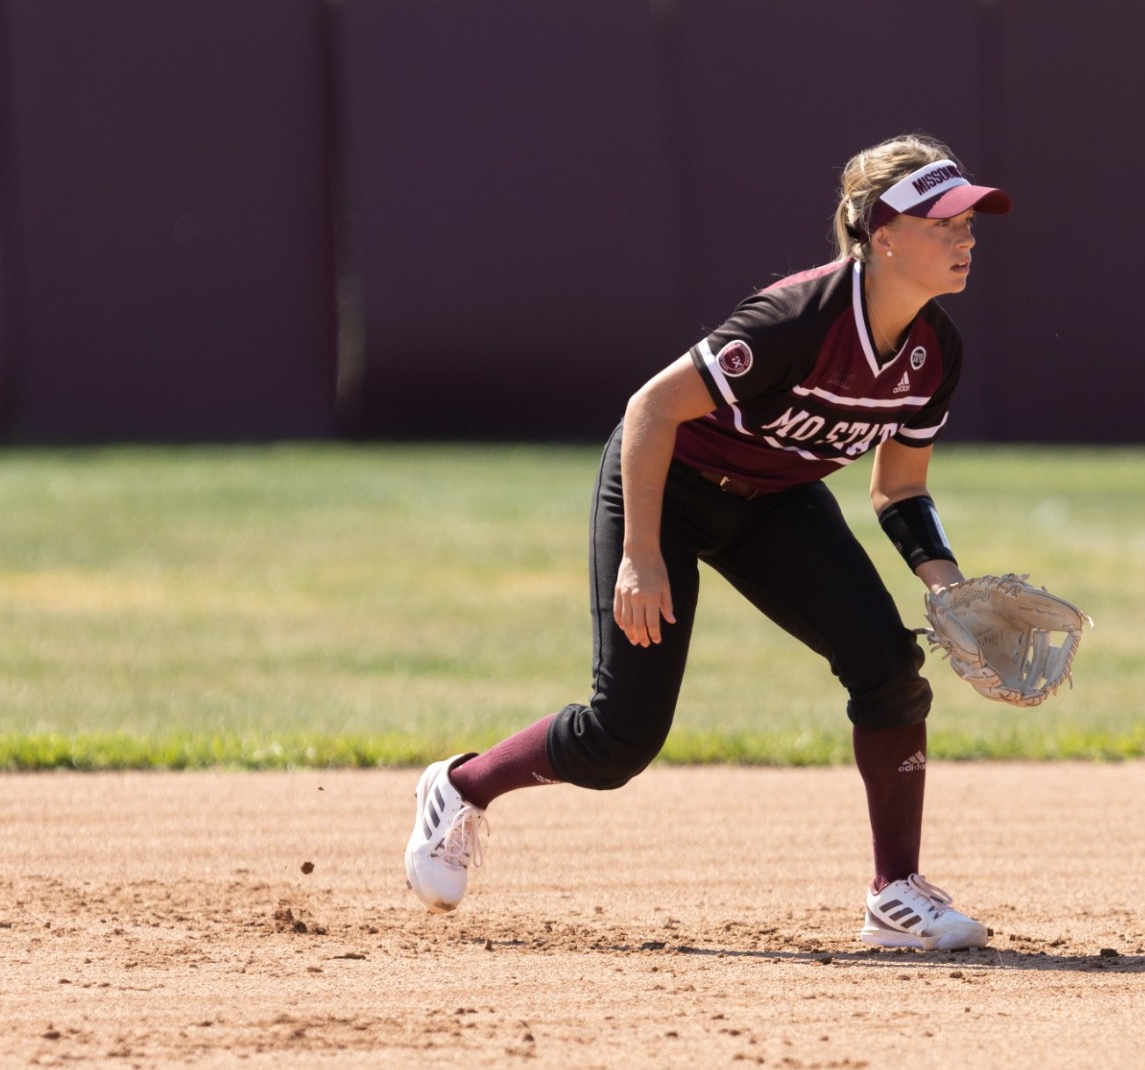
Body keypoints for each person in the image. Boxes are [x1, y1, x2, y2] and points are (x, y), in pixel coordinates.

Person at [404, 133, 1010, 951]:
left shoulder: (937, 352)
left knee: (889, 667)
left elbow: (898, 488)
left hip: (775, 503)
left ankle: (895, 893)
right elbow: (650, 410)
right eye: (943, 223)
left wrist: (948, 587)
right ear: (883, 233)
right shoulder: (798, 320)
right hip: (668, 487)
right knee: (619, 739)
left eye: (968, 222)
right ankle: (461, 786)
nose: (965, 238)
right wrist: (640, 555)